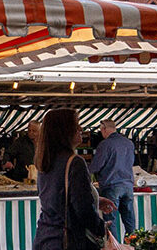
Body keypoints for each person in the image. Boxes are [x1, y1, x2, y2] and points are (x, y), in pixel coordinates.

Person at [32, 107, 109, 250]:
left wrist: (95, 200)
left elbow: (57, 200)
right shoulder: (74, 162)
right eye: (76, 123)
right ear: (65, 130)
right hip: (67, 240)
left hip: (44, 238)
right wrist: (101, 228)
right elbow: (83, 210)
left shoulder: (44, 161)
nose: (80, 127)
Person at [87, 119, 136, 241]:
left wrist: (83, 172)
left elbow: (96, 166)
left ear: (104, 129)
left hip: (112, 185)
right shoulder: (129, 143)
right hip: (128, 185)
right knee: (129, 221)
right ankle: (134, 244)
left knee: (110, 220)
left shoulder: (105, 145)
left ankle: (114, 245)